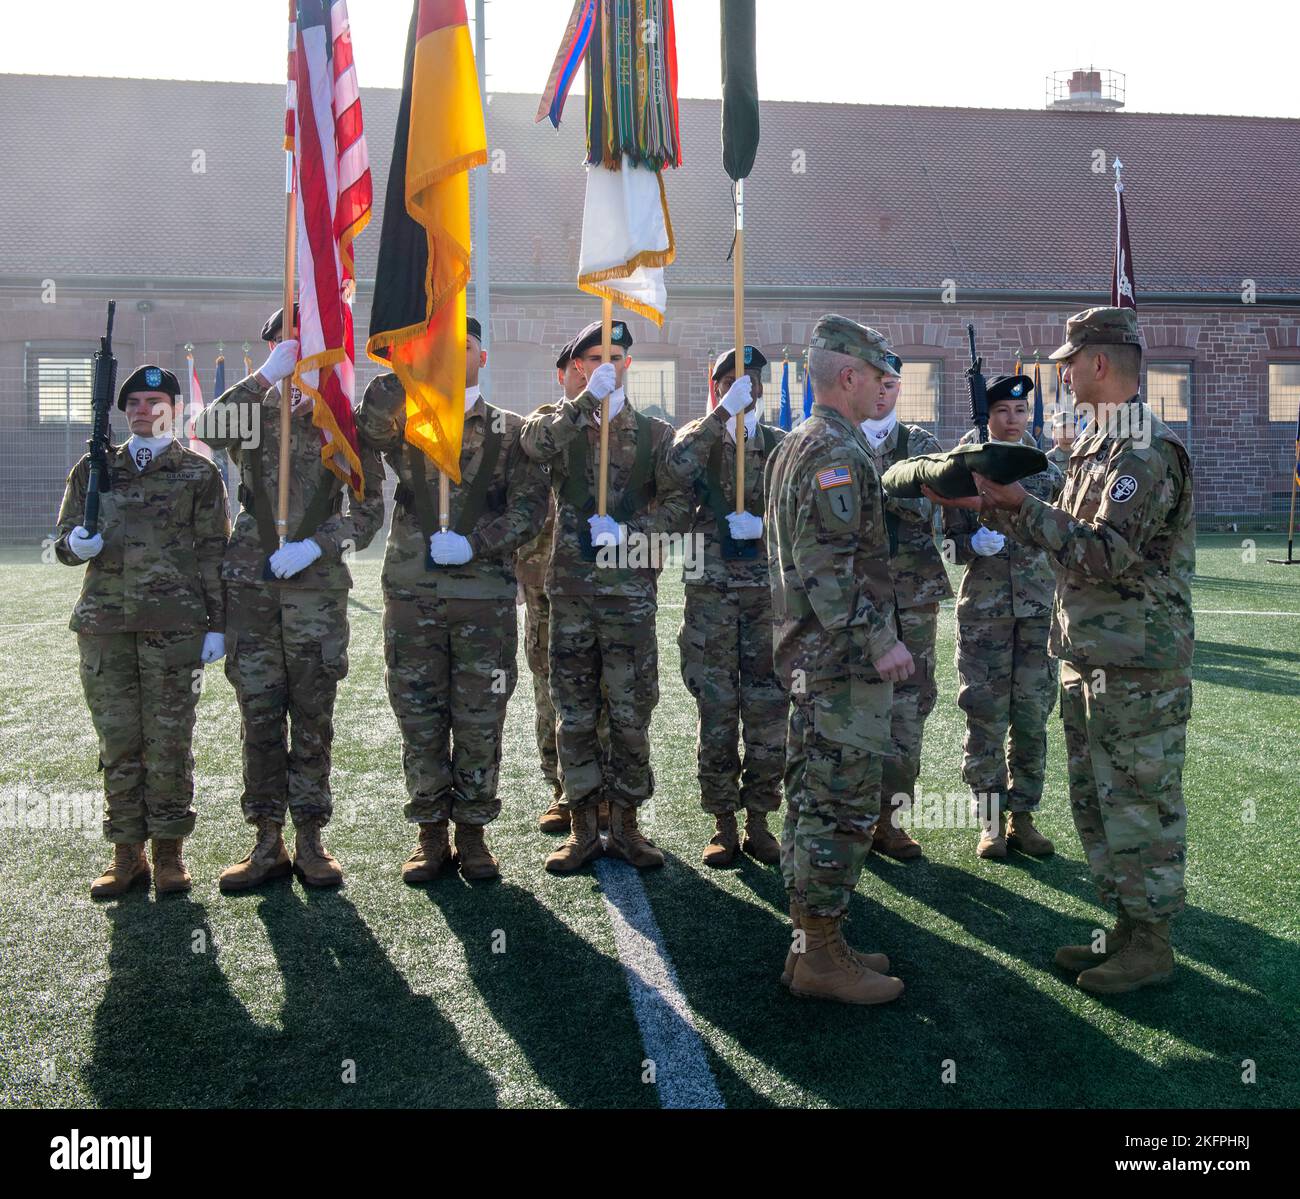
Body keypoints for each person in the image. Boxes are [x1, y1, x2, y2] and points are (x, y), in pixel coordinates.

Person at [933, 307, 1195, 995]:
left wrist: (1020, 505)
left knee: (1139, 802)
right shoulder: (1095, 444)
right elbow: (1062, 538)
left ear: (1099, 364)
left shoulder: (1142, 448)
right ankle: (1125, 931)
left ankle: (1153, 942)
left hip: (1137, 664)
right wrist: (989, 505)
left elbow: (1104, 553)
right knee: (1099, 802)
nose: (1064, 372)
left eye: (1070, 361)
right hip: (1091, 657)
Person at [192, 307, 385, 892]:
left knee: (313, 716)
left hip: (316, 591)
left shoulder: (341, 422)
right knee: (258, 716)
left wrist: (321, 546)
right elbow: (208, 428)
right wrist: (262, 380)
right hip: (251, 585)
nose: (297, 354)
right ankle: (265, 841)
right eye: (286, 345)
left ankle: (310, 839)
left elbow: (369, 511)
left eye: (308, 345)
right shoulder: (256, 412)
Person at [356, 318, 548, 881]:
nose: (453, 354)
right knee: (417, 713)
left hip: (482, 598)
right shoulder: (410, 421)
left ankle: (473, 832)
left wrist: (475, 543)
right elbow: (368, 429)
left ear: (482, 358)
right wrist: (405, 369)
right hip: (413, 594)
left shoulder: (512, 433)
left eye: (462, 346)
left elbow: (531, 508)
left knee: (480, 715)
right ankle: (430, 834)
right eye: (443, 346)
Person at [766, 314, 912, 1005]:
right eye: (877, 376)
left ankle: (812, 946)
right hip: (840, 667)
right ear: (846, 376)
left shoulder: (802, 441)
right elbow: (828, 570)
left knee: (809, 801)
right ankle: (821, 954)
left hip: (813, 662)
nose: (883, 387)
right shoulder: (835, 452)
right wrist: (881, 642)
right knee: (838, 808)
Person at [520, 319, 692, 872]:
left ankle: (626, 824)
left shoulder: (655, 436)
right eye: (595, 359)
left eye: (615, 358)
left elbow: (680, 507)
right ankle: (581, 825)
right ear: (579, 368)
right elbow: (533, 446)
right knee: (574, 713)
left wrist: (631, 533)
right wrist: (581, 407)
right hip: (569, 597)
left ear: (628, 367)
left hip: (629, 601)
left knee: (630, 713)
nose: (606, 367)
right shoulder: (557, 426)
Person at [54, 364, 229, 897]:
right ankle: (126, 853)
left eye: (155, 400)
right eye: (133, 401)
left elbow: (214, 554)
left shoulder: (197, 473)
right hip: (104, 625)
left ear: (173, 409)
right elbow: (63, 537)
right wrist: (72, 546)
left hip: (173, 627)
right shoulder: (94, 468)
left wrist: (218, 625)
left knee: (170, 741)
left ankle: (170, 852)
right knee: (119, 741)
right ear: (122, 410)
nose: (143, 409)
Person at [665, 346, 786, 867]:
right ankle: (722, 823)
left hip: (765, 598)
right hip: (710, 595)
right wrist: (719, 418)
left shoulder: (781, 447)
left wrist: (767, 528)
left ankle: (760, 820)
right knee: (716, 710)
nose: (745, 388)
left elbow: (803, 514)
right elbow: (673, 470)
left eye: (752, 380)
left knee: (766, 710)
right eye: (731, 381)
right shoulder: (700, 439)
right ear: (716, 388)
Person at [941, 374, 1063, 858]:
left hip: (1038, 610)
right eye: (1002, 412)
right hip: (985, 613)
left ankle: (1024, 817)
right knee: (985, 716)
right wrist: (971, 543)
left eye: (1020, 411)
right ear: (986, 415)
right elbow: (949, 541)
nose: (1012, 421)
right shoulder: (960, 467)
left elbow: (1064, 532)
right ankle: (990, 821)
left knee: (1032, 716)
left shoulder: (1048, 468)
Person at [859, 352, 953, 860]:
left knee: (908, 708)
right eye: (876, 382)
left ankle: (890, 821)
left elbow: (928, 504)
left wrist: (878, 490)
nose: (883, 392)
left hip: (912, 596)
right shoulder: (842, 439)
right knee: (853, 704)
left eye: (892, 383)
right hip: (856, 597)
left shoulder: (918, 444)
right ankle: (850, 820)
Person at [1047, 409, 1075, 473]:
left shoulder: (1083, 456)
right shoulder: (1048, 460)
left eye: (1072, 426)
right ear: (1055, 430)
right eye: (1064, 427)